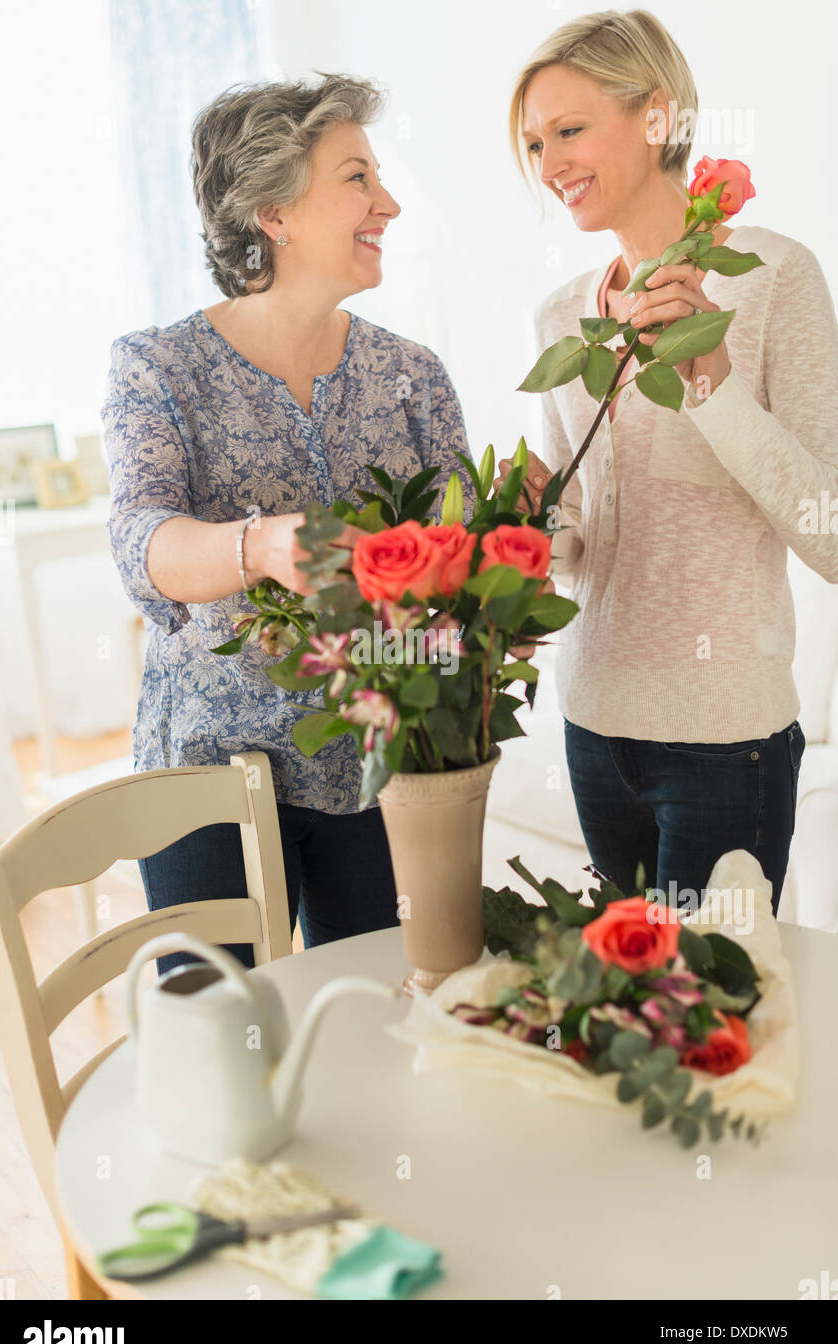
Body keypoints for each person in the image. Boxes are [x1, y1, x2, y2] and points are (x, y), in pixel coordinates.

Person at [102, 74, 473, 969]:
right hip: (208, 772)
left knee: (385, 1020)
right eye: (356, 179)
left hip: (377, 764)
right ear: (272, 212)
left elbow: (461, 561)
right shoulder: (158, 366)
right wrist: (263, 544)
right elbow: (140, 543)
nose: (385, 203)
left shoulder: (411, 375)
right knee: (217, 1034)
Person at [497, 9, 838, 917]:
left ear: (656, 118)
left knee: (718, 1031)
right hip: (591, 724)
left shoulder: (773, 278)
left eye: (569, 130)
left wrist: (710, 383)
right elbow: (579, 544)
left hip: (723, 741)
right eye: (535, 143)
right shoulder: (560, 318)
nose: (550, 163)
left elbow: (830, 536)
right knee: (625, 1022)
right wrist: (530, 524)